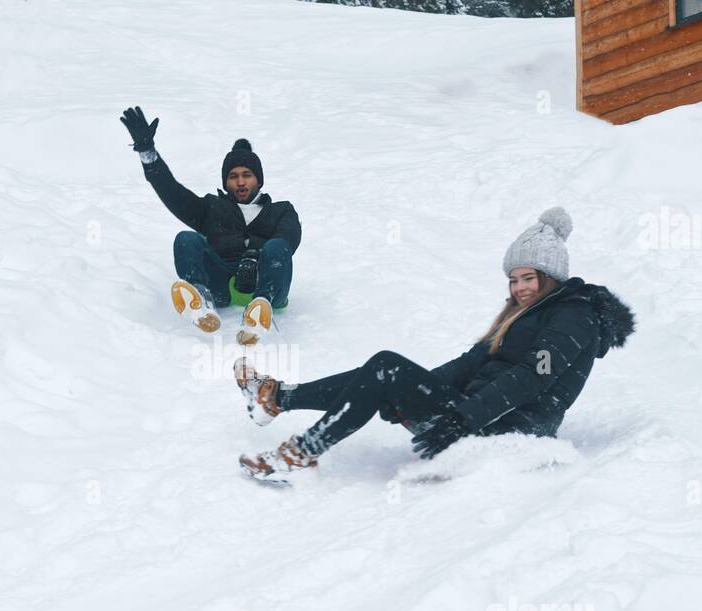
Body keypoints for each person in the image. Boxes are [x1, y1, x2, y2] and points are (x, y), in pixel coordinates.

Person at [235, 207, 636, 481]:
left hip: (508, 427)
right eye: (513, 279)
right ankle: (277, 398)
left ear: (550, 275)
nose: (519, 287)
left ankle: (301, 449)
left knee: (385, 366)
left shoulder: (574, 317)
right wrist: (410, 392)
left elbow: (533, 377)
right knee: (386, 374)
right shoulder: (520, 315)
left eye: (528, 278)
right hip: (474, 414)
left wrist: (463, 419)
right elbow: (468, 365)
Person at [120, 106, 301, 345]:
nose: (240, 181)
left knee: (278, 246)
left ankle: (260, 309)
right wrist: (148, 153)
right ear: (226, 183)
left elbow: (289, 239)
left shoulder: (281, 210)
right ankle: (199, 301)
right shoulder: (212, 208)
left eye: (247, 174)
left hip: (267, 280)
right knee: (186, 238)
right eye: (233, 176)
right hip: (222, 283)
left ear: (258, 179)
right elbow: (173, 193)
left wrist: (255, 258)